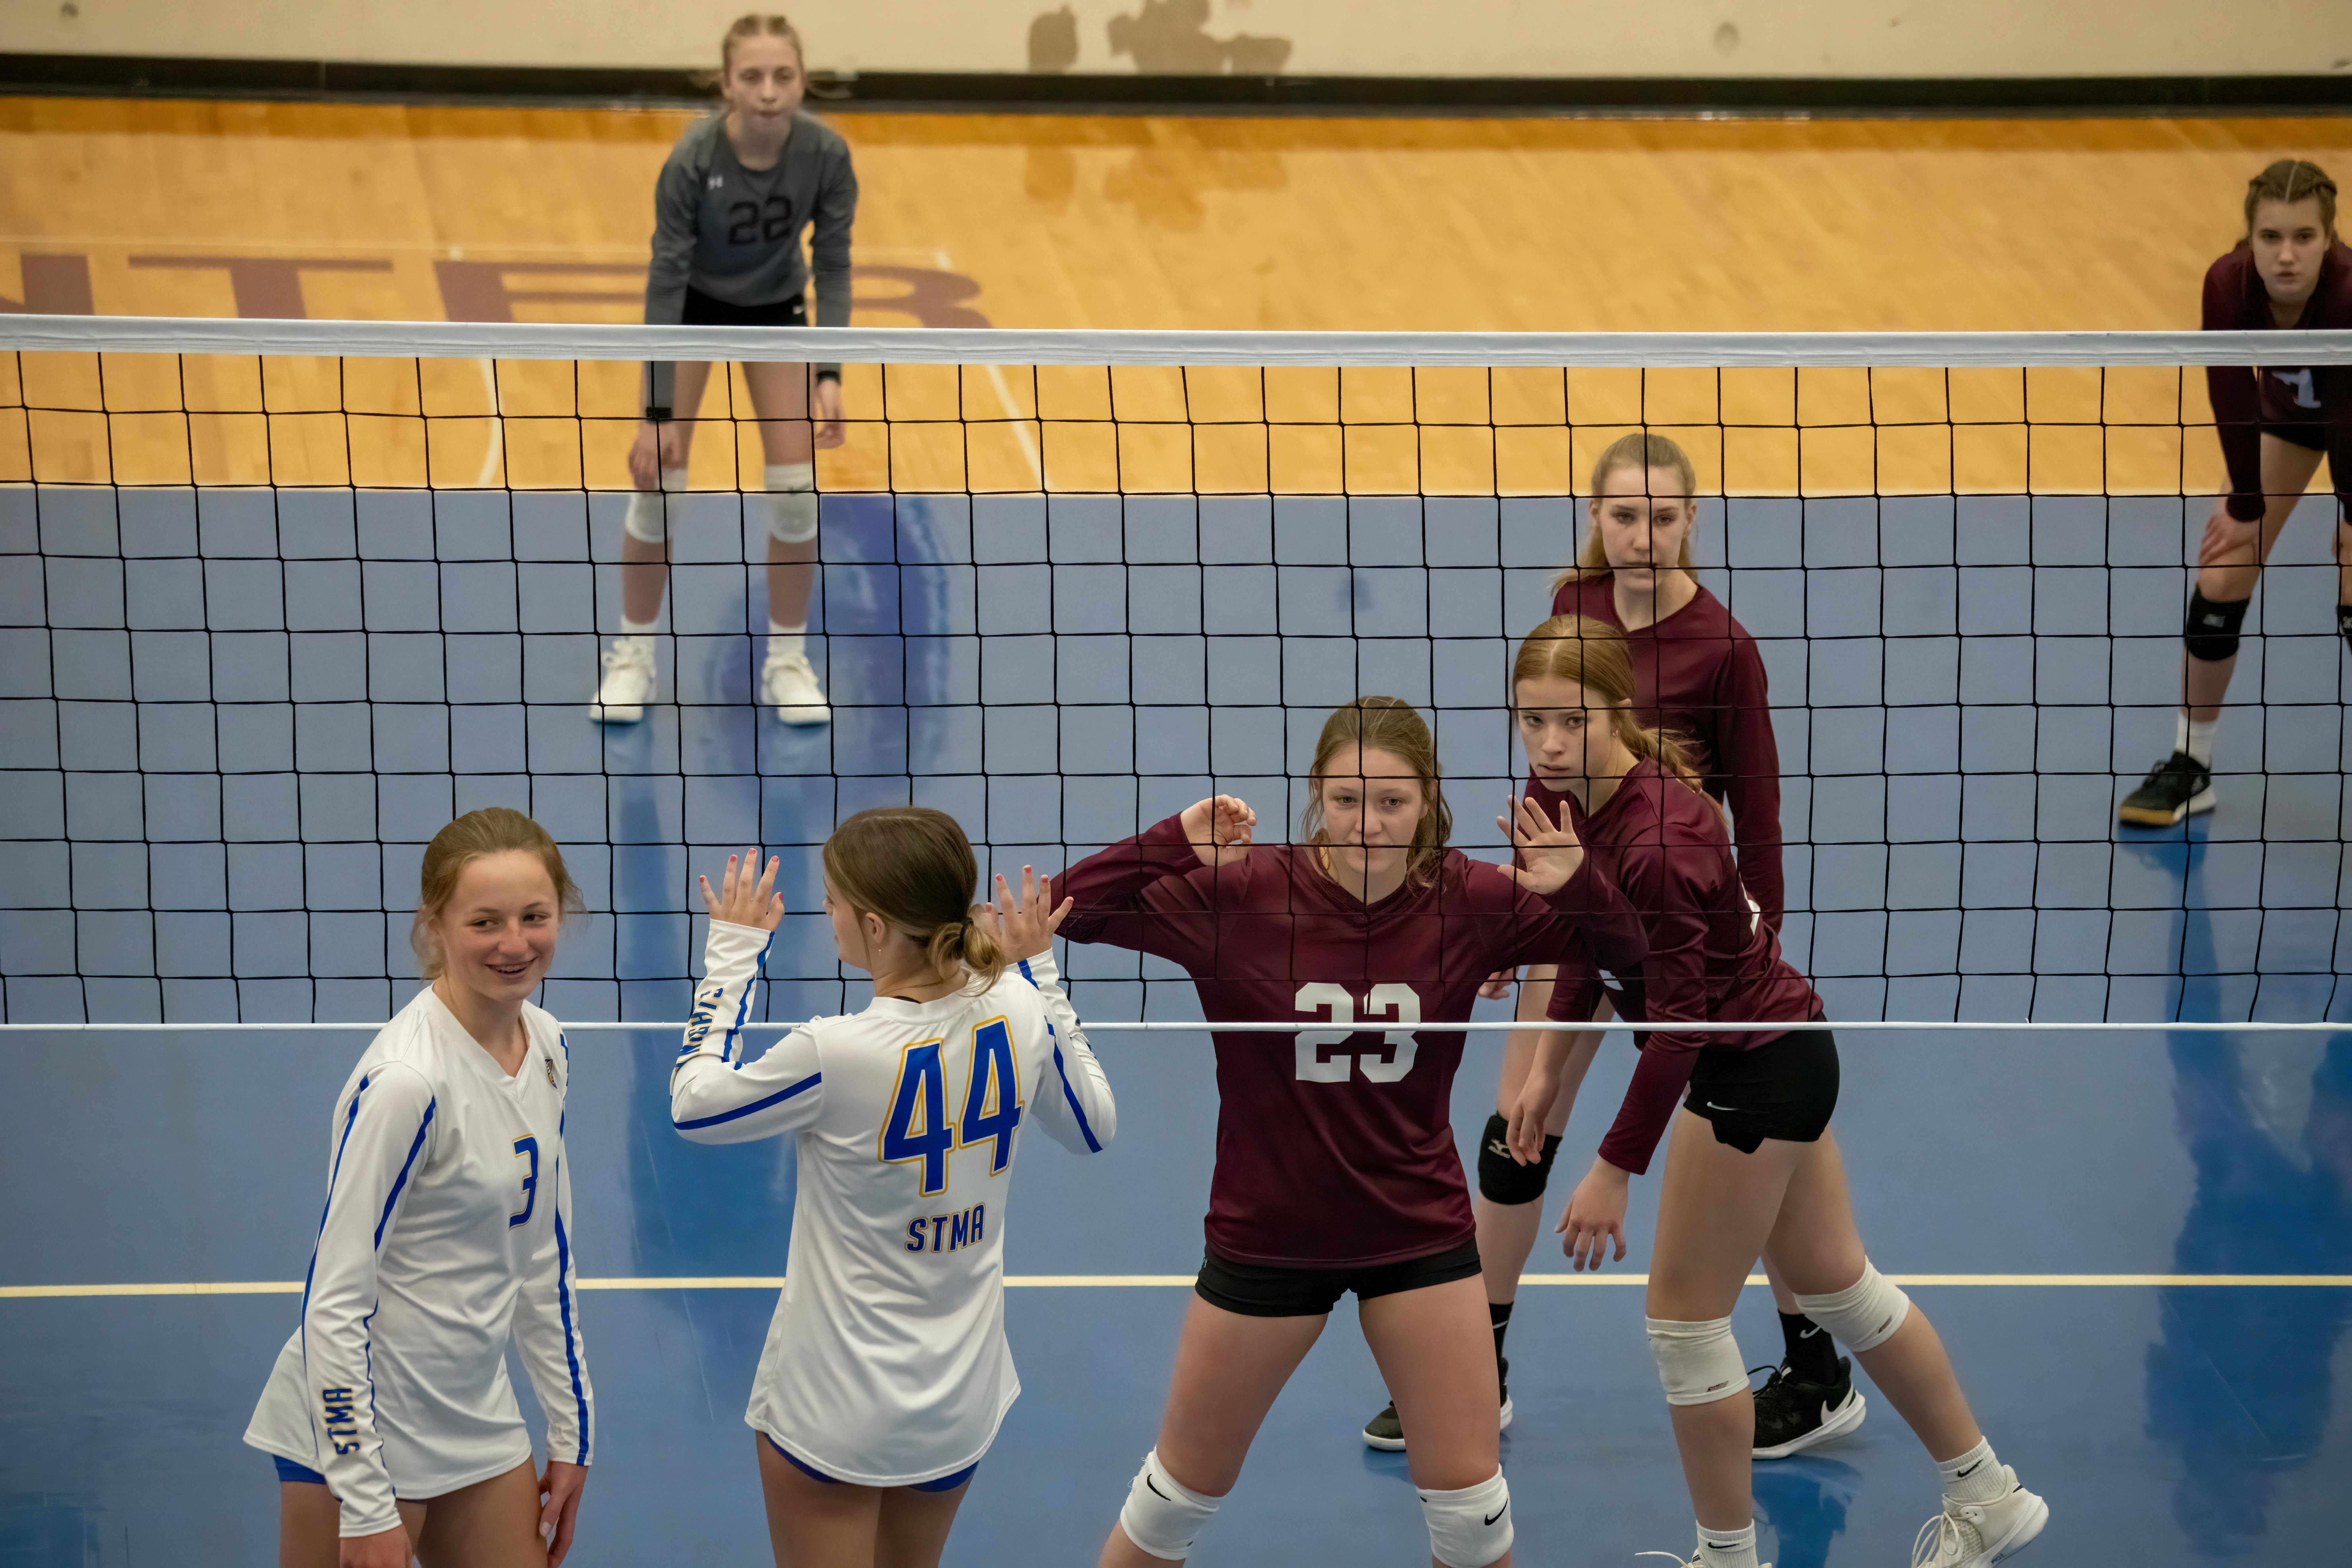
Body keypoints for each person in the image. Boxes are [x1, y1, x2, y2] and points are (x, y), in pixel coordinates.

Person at [1502, 617, 2046, 1568]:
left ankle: (1727, 1554)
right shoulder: (1571, 799)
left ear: (1617, 711)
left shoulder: (1662, 838)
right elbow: (1596, 942)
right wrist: (1547, 1074)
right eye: (1531, 720)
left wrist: (1611, 1167)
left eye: (1570, 721)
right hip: (1783, 1050)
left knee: (1682, 1323)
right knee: (1841, 1287)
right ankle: (1987, 1493)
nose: (1548, 745)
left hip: (1747, 1069)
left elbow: (1673, 1027)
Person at [1058, 695, 1647, 1568]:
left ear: (1429, 801)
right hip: (1269, 1237)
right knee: (1171, 1505)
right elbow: (1068, 906)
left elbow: (1634, 959)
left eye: (1392, 801)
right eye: (1345, 798)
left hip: (1416, 1233)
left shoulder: (1474, 899)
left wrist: (1584, 883)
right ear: (1314, 797)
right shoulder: (1241, 894)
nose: (1367, 823)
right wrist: (1175, 839)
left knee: (1475, 1518)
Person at [1363, 430, 1844, 1461]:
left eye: (1662, 517)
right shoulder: (1570, 617)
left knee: (1767, 1152)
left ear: (1691, 523)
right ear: (1594, 518)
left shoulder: (1723, 646)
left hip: (1684, 937)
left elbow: (1754, 813)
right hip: (1574, 914)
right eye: (1622, 516)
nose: (1641, 537)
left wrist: (1750, 948)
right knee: (1517, 1122)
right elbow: (1548, 786)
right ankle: (1475, 1368)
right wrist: (1516, 918)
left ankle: (1814, 1363)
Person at [668, 814, 1115, 1568]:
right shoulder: (1019, 1006)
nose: (828, 914)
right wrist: (1040, 973)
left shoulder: (834, 1051)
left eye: (834, 901)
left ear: (874, 925)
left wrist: (732, 956)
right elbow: (1092, 1126)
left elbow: (695, 1103)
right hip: (957, 1402)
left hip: (835, 1411)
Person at [245, 807, 595, 1568]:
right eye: (485, 921)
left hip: (477, 1419)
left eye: (535, 915)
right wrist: (366, 1501)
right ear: (434, 925)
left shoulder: (549, 1044)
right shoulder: (408, 1083)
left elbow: (544, 1260)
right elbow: (334, 1300)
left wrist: (570, 1433)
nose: (516, 942)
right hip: (361, 1434)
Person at [590, 12, 858, 729]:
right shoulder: (691, 159)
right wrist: (654, 412)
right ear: (726, 84)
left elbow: (831, 264)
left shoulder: (828, 155)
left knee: (797, 495)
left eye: (783, 76)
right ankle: (633, 655)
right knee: (657, 487)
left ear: (802, 80)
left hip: (776, 313)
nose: (769, 92)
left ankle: (788, 661)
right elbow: (664, 279)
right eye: (752, 77)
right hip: (692, 310)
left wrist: (830, 370)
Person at [2120, 158, 2352, 826]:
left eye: (2304, 238)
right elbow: (2230, 387)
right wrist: (2245, 503)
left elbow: (2346, 413)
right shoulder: (2228, 284)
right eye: (2271, 237)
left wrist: (2349, 520)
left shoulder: (2345, 292)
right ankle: (2191, 766)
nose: (2286, 255)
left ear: (2329, 240)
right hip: (2284, 419)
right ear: (2247, 240)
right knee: (2222, 572)